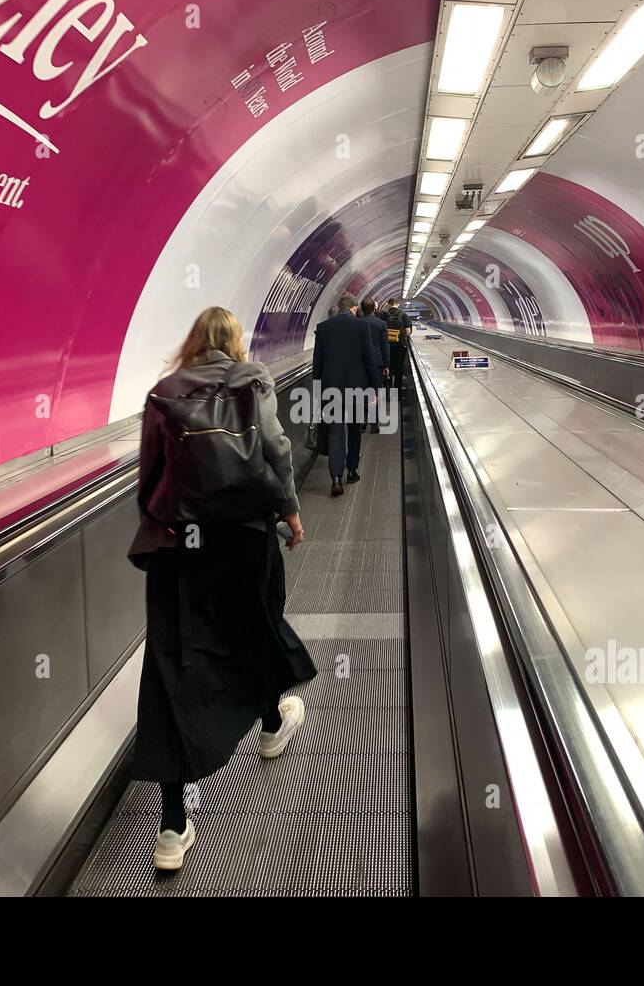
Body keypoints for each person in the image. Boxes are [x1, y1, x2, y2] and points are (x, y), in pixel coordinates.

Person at [128, 307, 317, 872]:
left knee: (173, 666)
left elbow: (150, 472)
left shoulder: (164, 392)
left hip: (179, 543)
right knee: (254, 627)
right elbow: (277, 451)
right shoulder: (252, 379)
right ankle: (271, 720)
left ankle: (171, 828)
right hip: (243, 535)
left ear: (191, 342)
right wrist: (290, 511)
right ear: (233, 342)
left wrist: (161, 527)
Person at [312, 294, 380, 496]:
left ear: (338, 307)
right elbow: (369, 360)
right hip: (357, 388)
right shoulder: (362, 327)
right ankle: (351, 471)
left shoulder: (323, 328)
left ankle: (335, 478)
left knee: (335, 431)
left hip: (331, 388)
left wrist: (318, 391)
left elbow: (318, 364)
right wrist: (374, 388)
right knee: (354, 429)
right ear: (354, 308)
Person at [358, 297, 391, 434]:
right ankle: (374, 423)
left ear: (361, 309)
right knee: (374, 392)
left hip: (360, 362)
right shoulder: (381, 324)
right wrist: (386, 365)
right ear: (375, 309)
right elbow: (385, 346)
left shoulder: (357, 323)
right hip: (377, 363)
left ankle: (362, 420)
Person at [384, 298, 414, 395]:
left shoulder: (383, 315)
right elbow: (408, 332)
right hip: (400, 347)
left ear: (388, 304)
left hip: (386, 347)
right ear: (397, 304)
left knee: (386, 369)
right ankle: (397, 394)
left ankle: (386, 393)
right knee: (398, 370)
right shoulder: (403, 315)